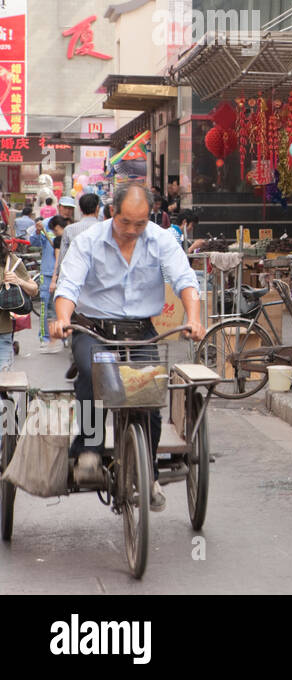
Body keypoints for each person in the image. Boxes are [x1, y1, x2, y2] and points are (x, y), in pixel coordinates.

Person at [52, 184, 204, 512]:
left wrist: (194, 318)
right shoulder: (88, 242)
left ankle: (147, 472)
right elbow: (69, 285)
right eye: (125, 223)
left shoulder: (162, 239)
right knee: (95, 375)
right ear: (111, 213)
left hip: (140, 331)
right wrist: (63, 318)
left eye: (140, 224)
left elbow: (185, 280)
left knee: (148, 393)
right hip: (93, 329)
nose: (133, 231)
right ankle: (89, 449)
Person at [0, 234, 39, 370]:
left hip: (2, 333)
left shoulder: (10, 261)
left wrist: (18, 281)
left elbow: (33, 289)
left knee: (3, 381)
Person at [37, 215, 68, 354]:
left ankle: (50, 339)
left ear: (57, 228)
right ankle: (60, 338)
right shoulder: (71, 237)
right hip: (67, 278)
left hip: (56, 277)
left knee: (50, 309)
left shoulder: (59, 240)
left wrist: (54, 280)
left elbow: (58, 261)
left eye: (54, 230)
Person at [56, 192, 101, 277]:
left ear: (80, 209)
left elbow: (63, 256)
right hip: (98, 276)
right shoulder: (104, 229)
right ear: (97, 208)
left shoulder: (69, 229)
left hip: (75, 275)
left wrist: (58, 275)